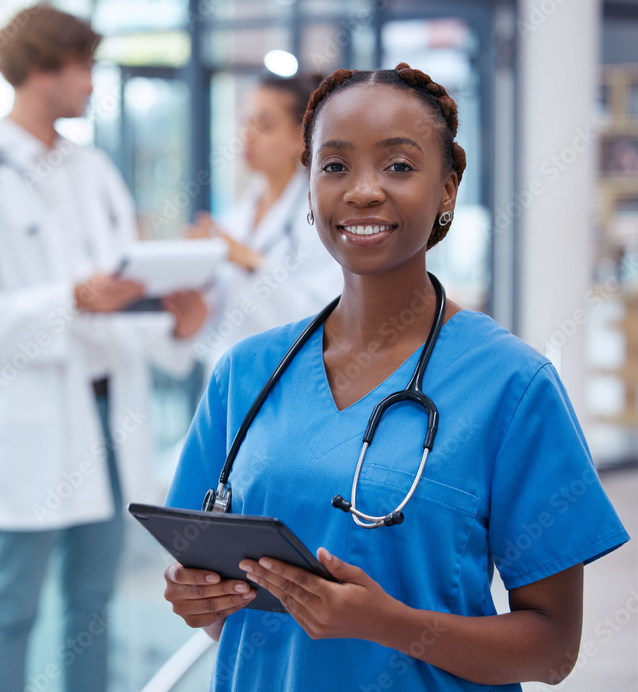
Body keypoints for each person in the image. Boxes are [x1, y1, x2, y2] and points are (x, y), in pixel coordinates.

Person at [162, 64, 630, 691]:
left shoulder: (512, 386)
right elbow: (215, 593)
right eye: (334, 166)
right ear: (309, 188)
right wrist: (200, 601)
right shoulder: (246, 373)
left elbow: (550, 651)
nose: (363, 191)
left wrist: (390, 624)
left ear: (448, 189)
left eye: (399, 167)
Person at [0, 6, 207, 691]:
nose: (91, 83)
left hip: (112, 423)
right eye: (82, 67)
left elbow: (122, 284)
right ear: (43, 71)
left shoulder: (94, 171)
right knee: (12, 610)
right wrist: (68, 300)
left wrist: (174, 315)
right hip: (33, 426)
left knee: (93, 605)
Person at [188, 72, 342, 375]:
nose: (248, 134)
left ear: (301, 137)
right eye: (246, 122)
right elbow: (211, 323)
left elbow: (326, 322)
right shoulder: (232, 221)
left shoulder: (324, 222)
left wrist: (250, 261)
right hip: (226, 385)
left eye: (265, 125)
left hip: (284, 385)